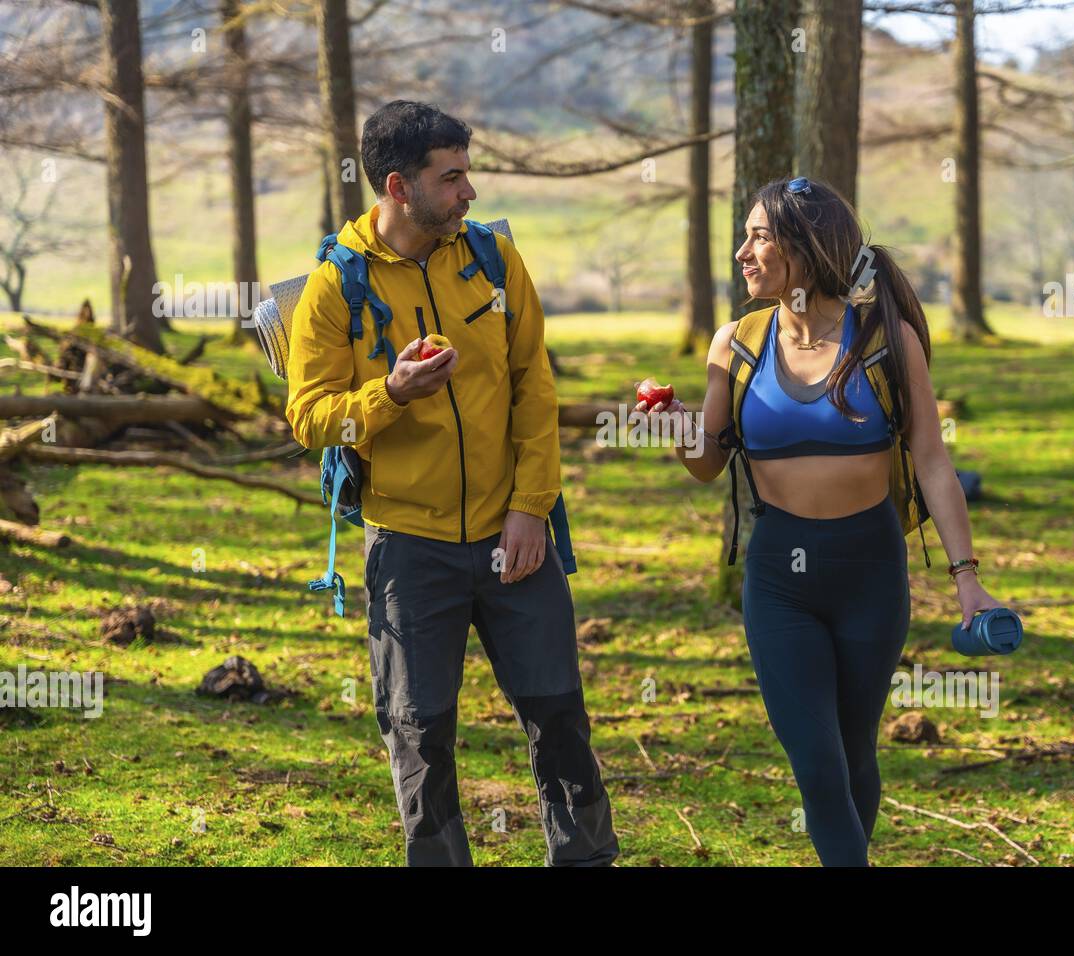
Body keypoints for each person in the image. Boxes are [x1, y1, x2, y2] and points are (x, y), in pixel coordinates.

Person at [285, 99, 619, 867]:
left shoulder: (494, 259)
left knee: (559, 717)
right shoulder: (336, 284)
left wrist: (531, 508)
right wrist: (390, 394)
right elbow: (310, 420)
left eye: (468, 173)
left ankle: (586, 860)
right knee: (420, 732)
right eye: (453, 177)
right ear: (399, 187)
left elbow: (535, 385)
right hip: (408, 547)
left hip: (514, 537)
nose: (469, 192)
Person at [640, 176, 1001, 866]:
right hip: (780, 577)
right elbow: (709, 464)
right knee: (814, 754)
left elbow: (931, 464)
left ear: (806, 247)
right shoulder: (735, 344)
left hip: (871, 571)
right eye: (743, 235)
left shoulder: (886, 342)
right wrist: (678, 424)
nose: (742, 252)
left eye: (759, 236)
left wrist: (967, 578)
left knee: (853, 752)